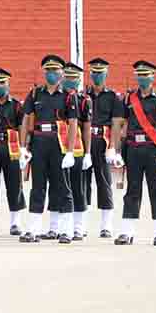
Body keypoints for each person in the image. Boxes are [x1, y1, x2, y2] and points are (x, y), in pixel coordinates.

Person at [18, 55, 78, 244]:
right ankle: (33, 230)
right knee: (38, 186)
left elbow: (73, 124)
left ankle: (66, 231)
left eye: (55, 70)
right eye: (48, 70)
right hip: (39, 143)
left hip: (59, 144)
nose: (51, 74)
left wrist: (70, 151)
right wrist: (23, 147)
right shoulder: (35, 94)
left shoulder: (68, 96)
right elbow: (26, 120)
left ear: (62, 73)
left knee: (62, 186)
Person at [112, 60, 156, 246]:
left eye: (146, 75)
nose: (142, 78)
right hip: (133, 149)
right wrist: (117, 151)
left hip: (152, 149)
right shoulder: (128, 99)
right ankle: (127, 232)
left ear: (152, 77)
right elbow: (120, 125)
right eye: (139, 75)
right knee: (132, 190)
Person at [84, 57, 121, 238]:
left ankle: (106, 225)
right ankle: (81, 224)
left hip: (102, 142)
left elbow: (116, 123)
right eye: (94, 72)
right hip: (85, 142)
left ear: (106, 74)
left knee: (104, 182)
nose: (97, 75)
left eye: (100, 72)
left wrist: (113, 147)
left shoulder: (113, 97)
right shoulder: (83, 95)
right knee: (82, 183)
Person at [0, 67, 27, 236]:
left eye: (2, 82)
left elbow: (22, 127)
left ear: (8, 83)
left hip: (11, 147)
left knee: (14, 184)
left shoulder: (16, 105)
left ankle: (15, 222)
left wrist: (23, 149)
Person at [62, 62, 92, 241]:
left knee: (78, 188)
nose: (70, 81)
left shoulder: (84, 100)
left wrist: (88, 153)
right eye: (67, 77)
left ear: (79, 80)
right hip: (58, 148)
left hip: (78, 149)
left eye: (73, 78)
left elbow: (86, 127)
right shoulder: (58, 97)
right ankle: (57, 227)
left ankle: (79, 227)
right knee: (59, 188)